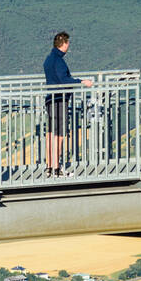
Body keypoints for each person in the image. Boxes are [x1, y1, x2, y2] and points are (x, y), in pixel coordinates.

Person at [43, 32, 92, 177]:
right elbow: (64, 79)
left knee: (51, 132)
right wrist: (81, 82)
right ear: (64, 44)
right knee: (59, 134)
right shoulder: (58, 61)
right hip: (60, 99)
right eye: (68, 43)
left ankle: (49, 166)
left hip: (51, 98)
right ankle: (57, 168)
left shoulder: (48, 59)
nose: (68, 46)